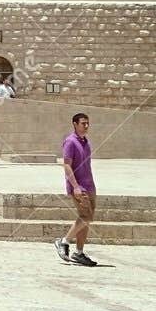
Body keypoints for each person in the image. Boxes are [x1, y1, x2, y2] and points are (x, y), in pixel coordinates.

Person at [55, 112, 98, 266]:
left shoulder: (86, 141)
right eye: (83, 123)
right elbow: (67, 165)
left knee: (86, 220)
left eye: (87, 123)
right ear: (74, 124)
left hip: (89, 185)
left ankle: (79, 253)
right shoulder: (70, 142)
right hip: (79, 187)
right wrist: (75, 187)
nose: (86, 126)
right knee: (85, 217)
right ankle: (64, 241)